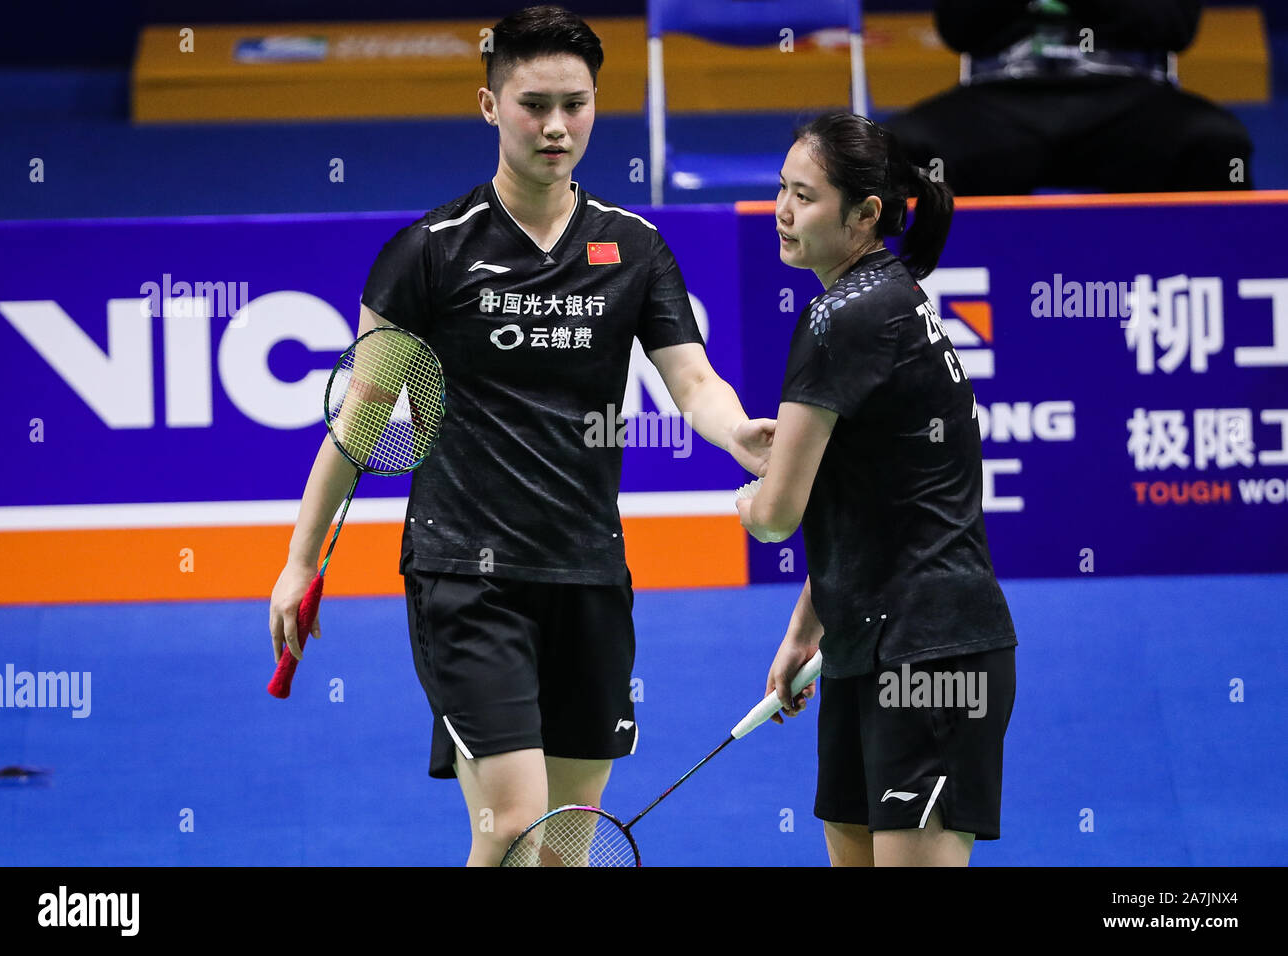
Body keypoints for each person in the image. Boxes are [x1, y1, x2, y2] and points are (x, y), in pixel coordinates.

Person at [267, 4, 773, 867]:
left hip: (587, 571)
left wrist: (740, 436)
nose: (556, 126)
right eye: (534, 104)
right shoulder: (428, 254)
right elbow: (361, 422)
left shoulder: (635, 248)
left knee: (565, 847)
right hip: (466, 574)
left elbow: (692, 380)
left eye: (576, 104)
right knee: (510, 825)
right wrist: (300, 561)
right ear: (490, 105)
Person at [738, 112, 1017, 866]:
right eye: (781, 189)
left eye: (805, 197)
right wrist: (806, 629)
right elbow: (873, 502)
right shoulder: (889, 297)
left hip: (935, 653)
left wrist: (749, 499)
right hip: (866, 643)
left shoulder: (843, 318)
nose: (782, 211)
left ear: (864, 214)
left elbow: (775, 518)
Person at [884, 0, 1253, 194]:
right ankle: (911, 303)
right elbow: (959, 27)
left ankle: (1215, 290)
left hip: (1127, 97)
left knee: (1217, 145)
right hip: (1002, 97)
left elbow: (1172, 26)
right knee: (907, 150)